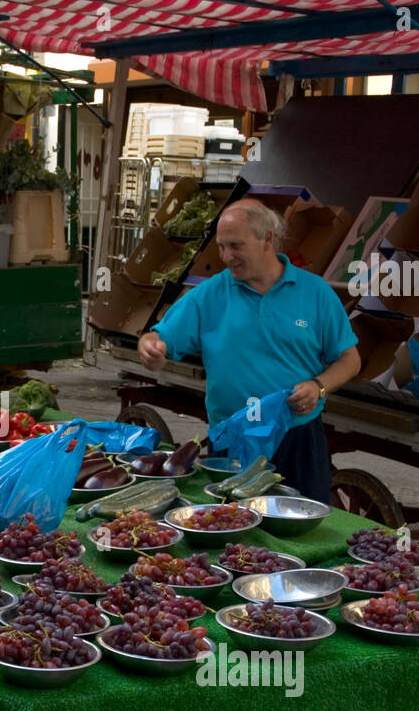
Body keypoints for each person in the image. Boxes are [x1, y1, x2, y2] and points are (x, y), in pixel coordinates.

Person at [138, 199, 361, 501]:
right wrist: (150, 346)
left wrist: (319, 387)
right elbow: (158, 338)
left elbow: (350, 359)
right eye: (221, 246)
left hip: (297, 436)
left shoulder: (316, 293)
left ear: (267, 238)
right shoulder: (209, 294)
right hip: (234, 439)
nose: (226, 256)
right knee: (234, 531)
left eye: (235, 246)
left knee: (304, 530)